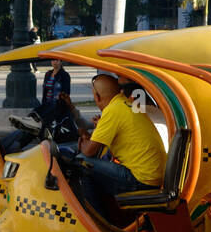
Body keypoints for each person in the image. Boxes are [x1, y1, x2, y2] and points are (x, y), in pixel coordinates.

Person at [64, 73, 166, 211]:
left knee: (81, 162)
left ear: (97, 97)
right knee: (94, 166)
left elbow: (89, 151)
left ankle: (95, 220)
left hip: (141, 180)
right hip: (152, 176)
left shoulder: (112, 110)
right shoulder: (125, 104)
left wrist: (82, 142)